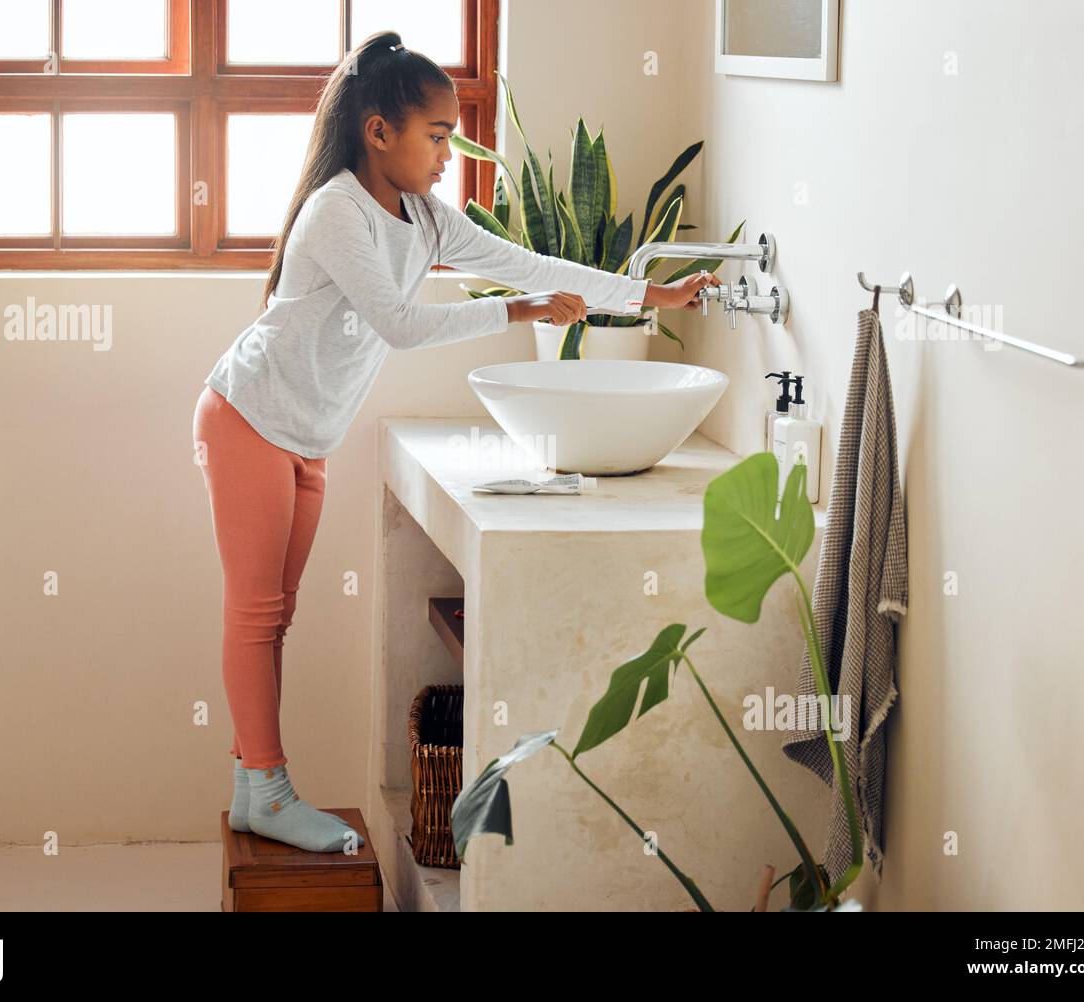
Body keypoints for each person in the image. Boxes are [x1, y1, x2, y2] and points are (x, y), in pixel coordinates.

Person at [193, 30, 717, 853]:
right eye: (436, 136)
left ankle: (251, 785)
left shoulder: (426, 219)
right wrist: (520, 311)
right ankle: (267, 785)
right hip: (249, 420)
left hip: (305, 436)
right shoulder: (339, 212)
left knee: (276, 616)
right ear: (378, 132)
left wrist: (654, 292)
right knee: (258, 615)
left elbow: (530, 261)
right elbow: (400, 326)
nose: (448, 155)